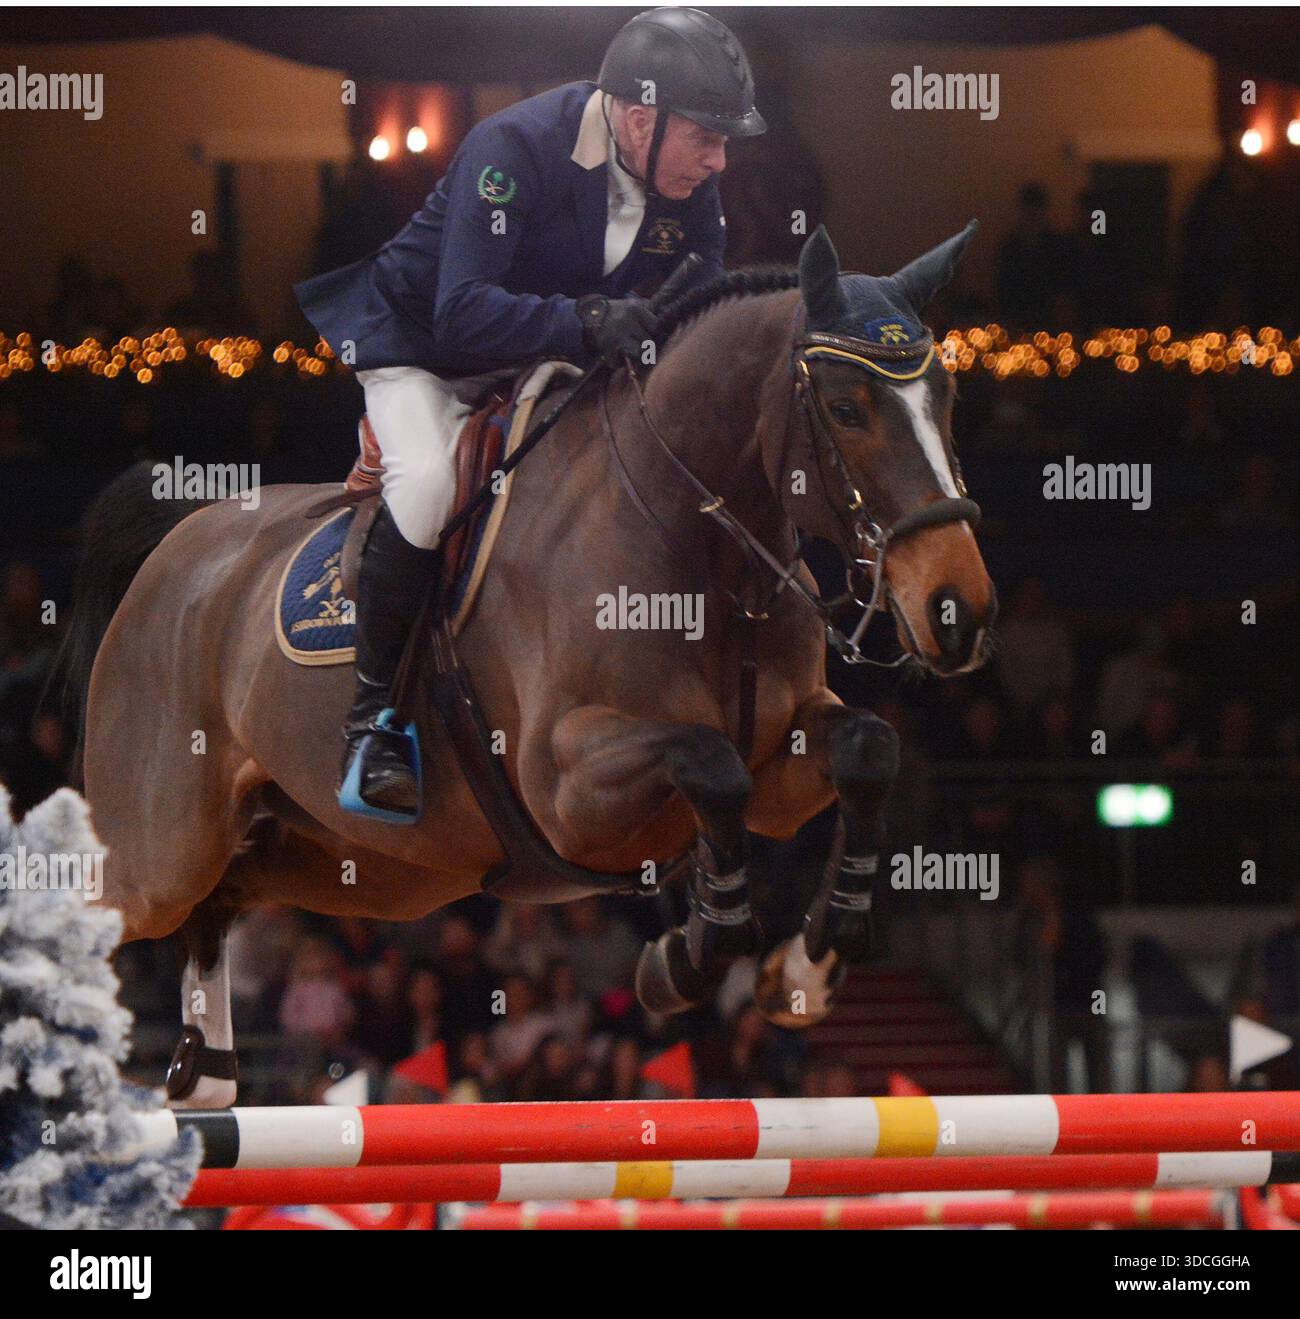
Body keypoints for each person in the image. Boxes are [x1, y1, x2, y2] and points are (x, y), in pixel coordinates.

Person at [294, 7, 764, 817]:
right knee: (433, 487)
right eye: (707, 139)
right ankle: (375, 722)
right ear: (640, 119)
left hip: (545, 358)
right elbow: (463, 312)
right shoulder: (511, 151)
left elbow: (699, 308)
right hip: (425, 353)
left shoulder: (688, 188)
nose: (719, 161)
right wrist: (586, 321)